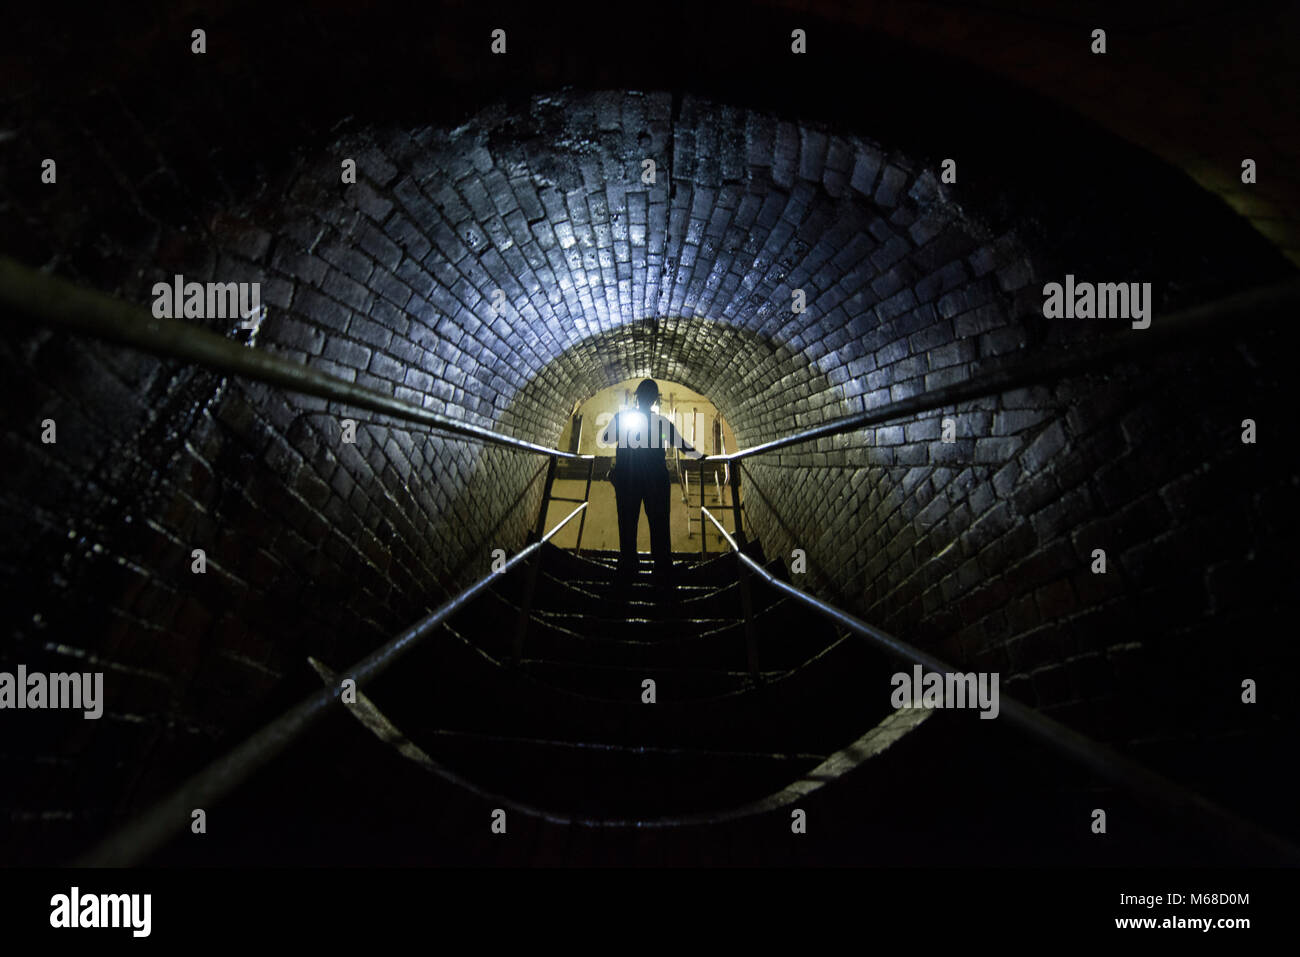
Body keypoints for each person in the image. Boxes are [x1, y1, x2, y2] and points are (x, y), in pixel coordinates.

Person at [598, 379, 701, 586]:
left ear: (637, 397)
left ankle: (628, 564)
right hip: (655, 479)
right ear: (655, 400)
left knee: (627, 521)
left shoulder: (623, 418)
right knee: (659, 522)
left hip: (627, 478)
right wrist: (699, 456)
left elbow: (607, 438)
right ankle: (662, 566)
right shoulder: (660, 422)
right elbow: (679, 442)